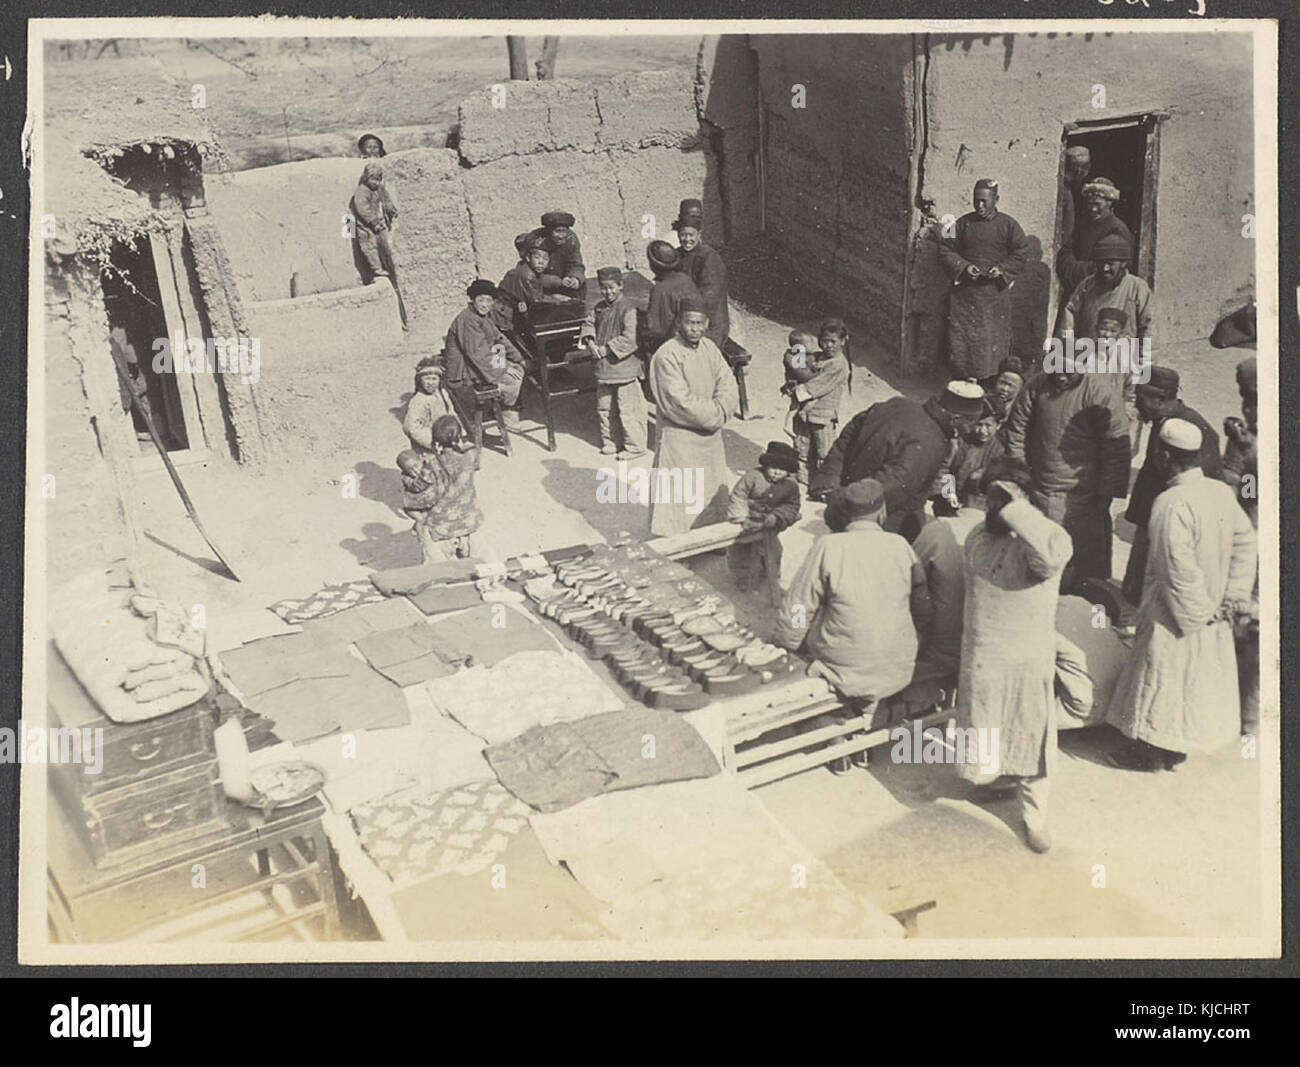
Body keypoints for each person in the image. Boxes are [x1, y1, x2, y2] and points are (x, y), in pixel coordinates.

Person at [1106, 420, 1258, 771]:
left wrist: (1196, 614)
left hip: (1173, 613)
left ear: (1163, 455)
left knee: (1159, 680)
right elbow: (1246, 542)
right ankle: (1174, 750)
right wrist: (1229, 600)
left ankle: (1147, 754)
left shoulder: (1171, 502)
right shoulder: (1220, 492)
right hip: (1210, 610)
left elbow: (1176, 567)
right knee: (1189, 686)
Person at [959, 462, 1074, 853]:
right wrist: (1008, 508)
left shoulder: (1048, 542)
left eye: (1001, 502)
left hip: (1027, 663)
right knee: (989, 727)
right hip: (986, 657)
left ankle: (1034, 819)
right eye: (990, 500)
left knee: (1031, 741)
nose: (993, 508)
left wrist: (1016, 508)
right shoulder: (978, 537)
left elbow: (1049, 556)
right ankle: (997, 780)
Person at [774, 477, 930, 740]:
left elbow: (799, 607)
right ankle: (872, 715)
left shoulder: (828, 546)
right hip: (899, 667)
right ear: (882, 512)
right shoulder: (901, 546)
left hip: (844, 668)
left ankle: (838, 721)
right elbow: (923, 608)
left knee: (813, 633)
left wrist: (788, 644)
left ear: (846, 513)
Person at [1001, 366, 1129, 586]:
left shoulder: (1099, 393)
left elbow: (1117, 447)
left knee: (1085, 563)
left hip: (1084, 495)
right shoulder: (1036, 386)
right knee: (1043, 557)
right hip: (1041, 487)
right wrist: (1019, 471)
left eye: (1068, 371)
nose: (1061, 376)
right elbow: (1016, 431)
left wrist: (1106, 493)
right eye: (1056, 369)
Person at [811, 381, 984, 542]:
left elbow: (847, 438)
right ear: (955, 419)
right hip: (881, 529)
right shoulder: (933, 442)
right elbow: (893, 485)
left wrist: (830, 483)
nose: (972, 430)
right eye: (972, 423)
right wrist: (842, 507)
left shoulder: (897, 404)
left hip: (854, 510)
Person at [1120, 366, 1223, 602]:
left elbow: (1202, 484)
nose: (1136, 405)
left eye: (1141, 398)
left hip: (1170, 522)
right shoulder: (1162, 419)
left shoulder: (1192, 429)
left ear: (1161, 398)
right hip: (1152, 515)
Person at [647, 295, 739, 536]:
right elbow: (678, 401)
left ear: (707, 323)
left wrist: (721, 409)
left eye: (700, 323)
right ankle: (677, 547)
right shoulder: (666, 355)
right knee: (680, 492)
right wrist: (715, 414)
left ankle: (711, 537)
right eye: (690, 323)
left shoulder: (709, 348)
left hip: (710, 436)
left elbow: (727, 382)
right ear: (678, 322)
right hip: (681, 438)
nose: (695, 329)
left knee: (710, 488)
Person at [939, 178, 1031, 380]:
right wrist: (964, 267)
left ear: (996, 199)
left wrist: (1002, 269)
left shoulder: (1008, 225)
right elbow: (945, 249)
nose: (979, 205)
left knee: (991, 344)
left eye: (984, 201)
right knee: (963, 343)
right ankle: (962, 382)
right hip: (965, 297)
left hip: (993, 297)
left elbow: (1021, 250)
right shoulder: (962, 223)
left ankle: (989, 383)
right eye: (976, 200)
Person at [1222, 356, 1259, 736]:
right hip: (1248, 541)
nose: (1249, 410)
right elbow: (1232, 491)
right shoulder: (1244, 439)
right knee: (1242, 626)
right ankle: (1239, 709)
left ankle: (1249, 716)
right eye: (1246, 402)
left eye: (1255, 402)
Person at [398, 415, 484, 564]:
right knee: (480, 567)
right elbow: (470, 450)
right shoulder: (470, 456)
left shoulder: (430, 466)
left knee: (438, 573)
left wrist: (406, 478)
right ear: (458, 439)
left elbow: (418, 500)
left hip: (440, 530)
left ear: (436, 442)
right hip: (470, 522)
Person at [581, 267, 647, 459]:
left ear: (620, 286)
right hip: (604, 368)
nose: (608, 292)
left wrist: (606, 349)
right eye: (604, 288)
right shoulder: (599, 307)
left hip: (624, 367)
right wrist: (590, 341)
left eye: (612, 287)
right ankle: (610, 441)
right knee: (605, 407)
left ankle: (635, 446)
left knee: (629, 408)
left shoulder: (628, 308)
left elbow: (630, 338)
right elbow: (588, 323)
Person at [444, 279, 528, 428]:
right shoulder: (468, 320)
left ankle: (505, 405)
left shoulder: (484, 317)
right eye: (480, 300)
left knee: (514, 363)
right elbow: (477, 354)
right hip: (463, 370)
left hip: (475, 362)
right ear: (472, 300)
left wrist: (518, 358)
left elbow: (499, 339)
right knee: (513, 376)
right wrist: (505, 368)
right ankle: (506, 411)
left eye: (489, 300)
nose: (485, 304)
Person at [726, 441, 801, 601]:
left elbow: (792, 505)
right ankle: (744, 577)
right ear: (766, 465)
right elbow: (739, 495)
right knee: (741, 549)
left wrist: (778, 516)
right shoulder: (753, 476)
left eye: (782, 470)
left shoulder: (790, 485)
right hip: (749, 516)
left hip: (771, 519)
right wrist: (741, 517)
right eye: (773, 468)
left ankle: (769, 573)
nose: (777, 473)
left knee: (773, 549)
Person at [786, 319, 852, 488]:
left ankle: (823, 485)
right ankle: (803, 481)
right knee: (803, 448)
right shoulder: (819, 357)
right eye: (824, 340)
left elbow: (815, 386)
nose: (828, 345)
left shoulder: (839, 366)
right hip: (805, 413)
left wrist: (795, 389)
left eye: (833, 341)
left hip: (822, 415)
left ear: (843, 341)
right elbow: (802, 363)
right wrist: (792, 359)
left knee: (824, 451)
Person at [349, 161, 407, 329]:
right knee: (369, 247)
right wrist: (374, 222)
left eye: (378, 179)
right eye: (373, 179)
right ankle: (376, 269)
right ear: (366, 178)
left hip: (378, 226)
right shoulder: (361, 192)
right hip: (365, 227)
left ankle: (383, 265)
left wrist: (390, 208)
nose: (376, 182)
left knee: (382, 248)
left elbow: (385, 199)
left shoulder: (378, 189)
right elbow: (362, 209)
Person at [1055, 176, 1134, 293]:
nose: (1093, 209)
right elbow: (1065, 252)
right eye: (1090, 203)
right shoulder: (1084, 225)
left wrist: (1072, 270)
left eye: (1097, 204)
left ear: (1109, 203)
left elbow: (1107, 268)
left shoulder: (1117, 229)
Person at [673, 198, 729, 348]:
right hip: (686, 318)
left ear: (699, 234)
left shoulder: (709, 258)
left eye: (691, 235)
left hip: (707, 324)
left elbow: (708, 298)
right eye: (683, 235)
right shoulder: (678, 255)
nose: (687, 240)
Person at [642, 240, 699, 355]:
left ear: (654, 265)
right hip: (693, 336)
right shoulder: (686, 279)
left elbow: (655, 329)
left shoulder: (660, 289)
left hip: (672, 347)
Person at [402, 357, 462, 454]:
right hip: (429, 447)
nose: (431, 383)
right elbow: (412, 428)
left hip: (446, 441)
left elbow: (451, 414)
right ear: (419, 380)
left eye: (434, 379)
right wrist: (435, 441)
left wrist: (455, 435)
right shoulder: (418, 400)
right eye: (427, 379)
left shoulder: (443, 394)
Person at [494, 235, 552, 327]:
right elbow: (537, 302)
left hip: (505, 310)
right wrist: (555, 299)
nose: (541, 262)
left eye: (545, 259)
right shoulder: (527, 275)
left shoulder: (523, 267)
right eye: (537, 257)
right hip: (504, 315)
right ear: (528, 258)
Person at [524, 210, 585, 294]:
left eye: (564, 231)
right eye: (558, 231)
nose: (561, 236)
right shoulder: (536, 240)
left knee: (580, 288)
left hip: (563, 282)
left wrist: (575, 278)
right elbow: (528, 274)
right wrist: (556, 282)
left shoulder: (571, 240)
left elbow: (575, 264)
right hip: (539, 284)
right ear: (548, 231)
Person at [780, 328, 821, 438]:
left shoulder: (805, 354)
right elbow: (803, 375)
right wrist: (818, 374)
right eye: (810, 343)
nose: (813, 344)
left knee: (796, 405)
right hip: (795, 386)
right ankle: (787, 425)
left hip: (799, 385)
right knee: (796, 405)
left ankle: (792, 420)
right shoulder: (793, 358)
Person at [1058, 145, 1091, 257]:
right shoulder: (1064, 188)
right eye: (1074, 167)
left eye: (1083, 167)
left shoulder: (1083, 188)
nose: (1079, 171)